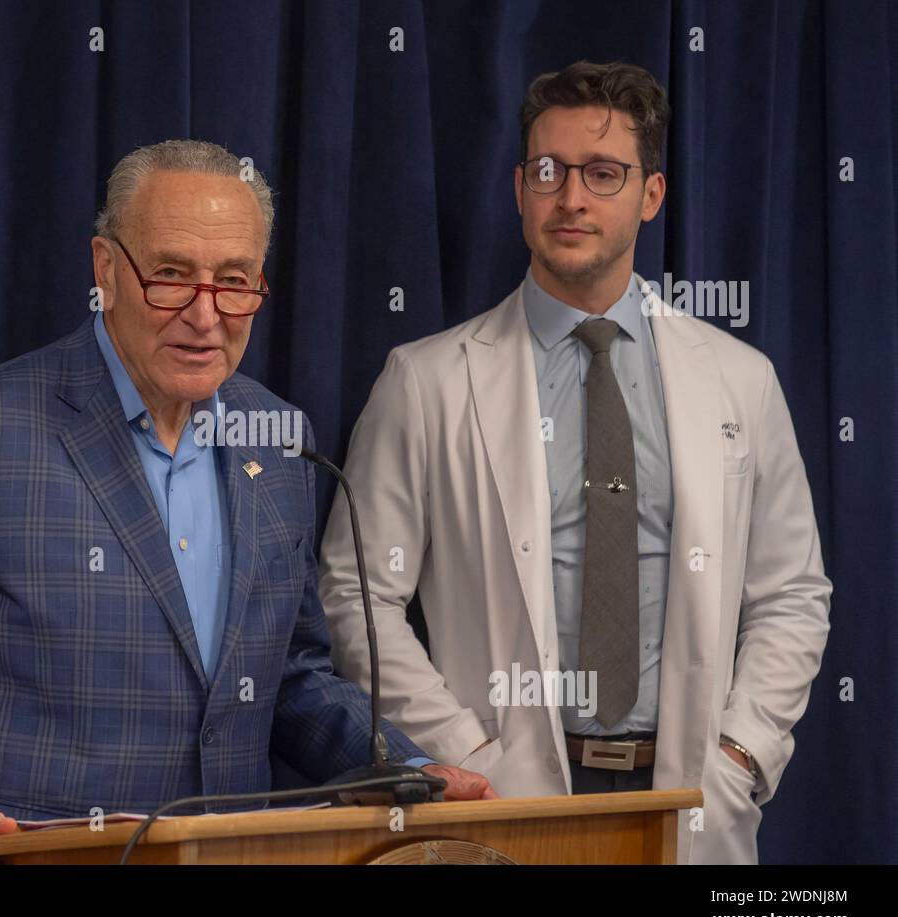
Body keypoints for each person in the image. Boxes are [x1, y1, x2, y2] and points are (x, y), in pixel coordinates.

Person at [0, 139, 494, 866]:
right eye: (170, 277)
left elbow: (289, 676)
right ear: (105, 268)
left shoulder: (281, 442)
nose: (205, 315)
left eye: (234, 282)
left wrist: (409, 773)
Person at [318, 62, 831, 864]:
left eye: (603, 173)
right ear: (521, 189)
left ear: (651, 196)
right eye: (547, 172)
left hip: (691, 796)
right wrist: (467, 750)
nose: (571, 198)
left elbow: (793, 594)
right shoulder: (425, 381)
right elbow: (356, 598)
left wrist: (740, 753)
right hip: (501, 796)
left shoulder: (740, 380)